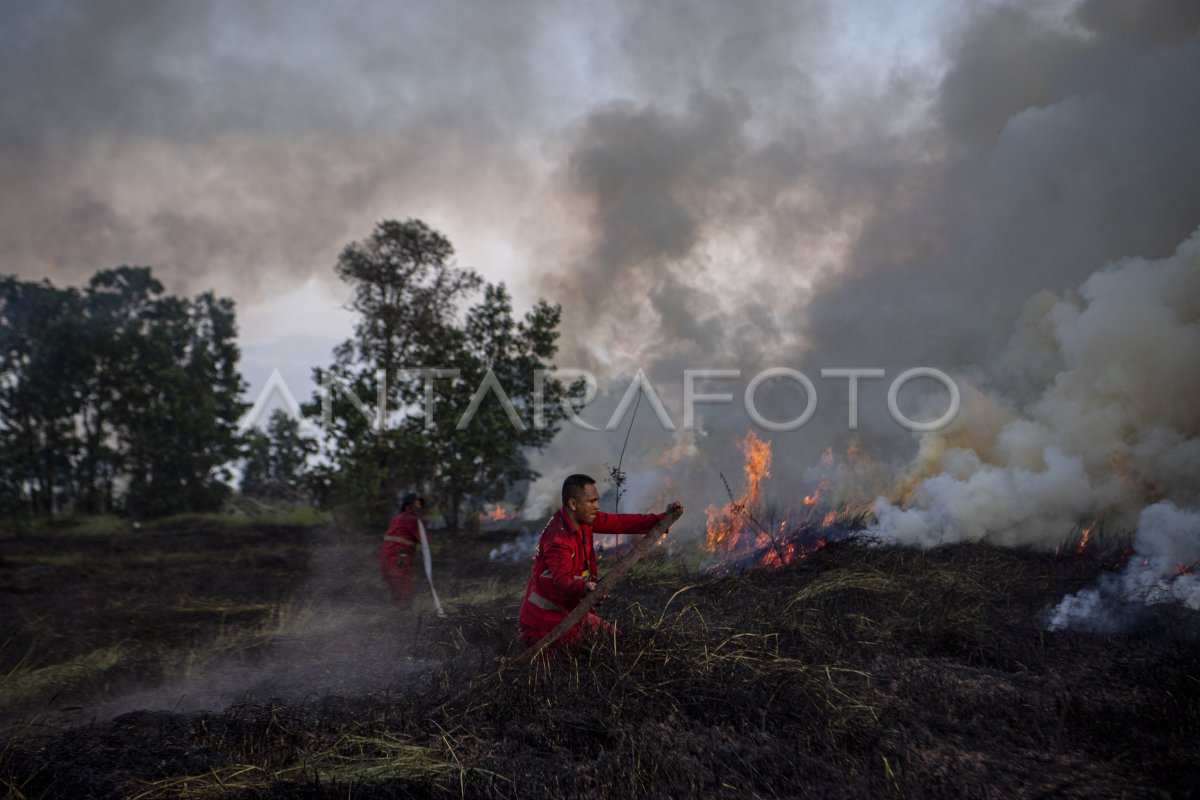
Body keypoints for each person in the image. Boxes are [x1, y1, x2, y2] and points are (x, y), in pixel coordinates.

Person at [517, 473, 682, 649]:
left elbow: (620, 522)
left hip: (570, 613)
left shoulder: (583, 520)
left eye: (597, 500)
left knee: (618, 641)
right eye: (591, 501)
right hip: (545, 625)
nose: (597, 506)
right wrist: (584, 588)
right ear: (573, 504)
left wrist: (661, 519)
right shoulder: (558, 539)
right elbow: (561, 581)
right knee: (591, 656)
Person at [380, 493, 425, 609]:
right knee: (405, 593)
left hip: (386, 559)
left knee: (397, 592)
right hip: (398, 559)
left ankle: (398, 618)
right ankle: (405, 619)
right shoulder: (411, 520)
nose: (419, 507)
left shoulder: (397, 518)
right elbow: (425, 540)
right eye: (416, 504)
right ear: (407, 506)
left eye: (419, 504)